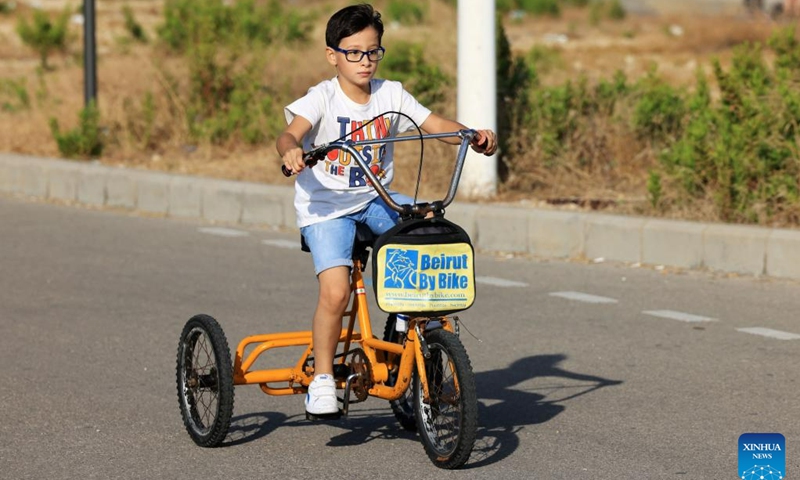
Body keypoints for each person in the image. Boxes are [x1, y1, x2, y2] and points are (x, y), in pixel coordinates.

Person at [276, 3, 497, 419]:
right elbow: (291, 133)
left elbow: (434, 125)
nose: (364, 61)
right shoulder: (321, 97)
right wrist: (291, 151)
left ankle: (413, 338)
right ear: (333, 55)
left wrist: (471, 135)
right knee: (337, 291)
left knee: (423, 244)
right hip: (326, 208)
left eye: (373, 51)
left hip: (376, 199)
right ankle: (323, 378)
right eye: (353, 52)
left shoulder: (390, 94)